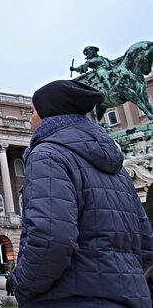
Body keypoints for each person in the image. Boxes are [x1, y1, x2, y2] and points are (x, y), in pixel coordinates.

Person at [12, 80, 153, 307]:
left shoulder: (47, 155)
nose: (29, 120)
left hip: (70, 298)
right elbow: (146, 243)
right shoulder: (118, 168)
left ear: (48, 113)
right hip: (130, 297)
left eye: (32, 112)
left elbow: (51, 238)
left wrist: (22, 284)